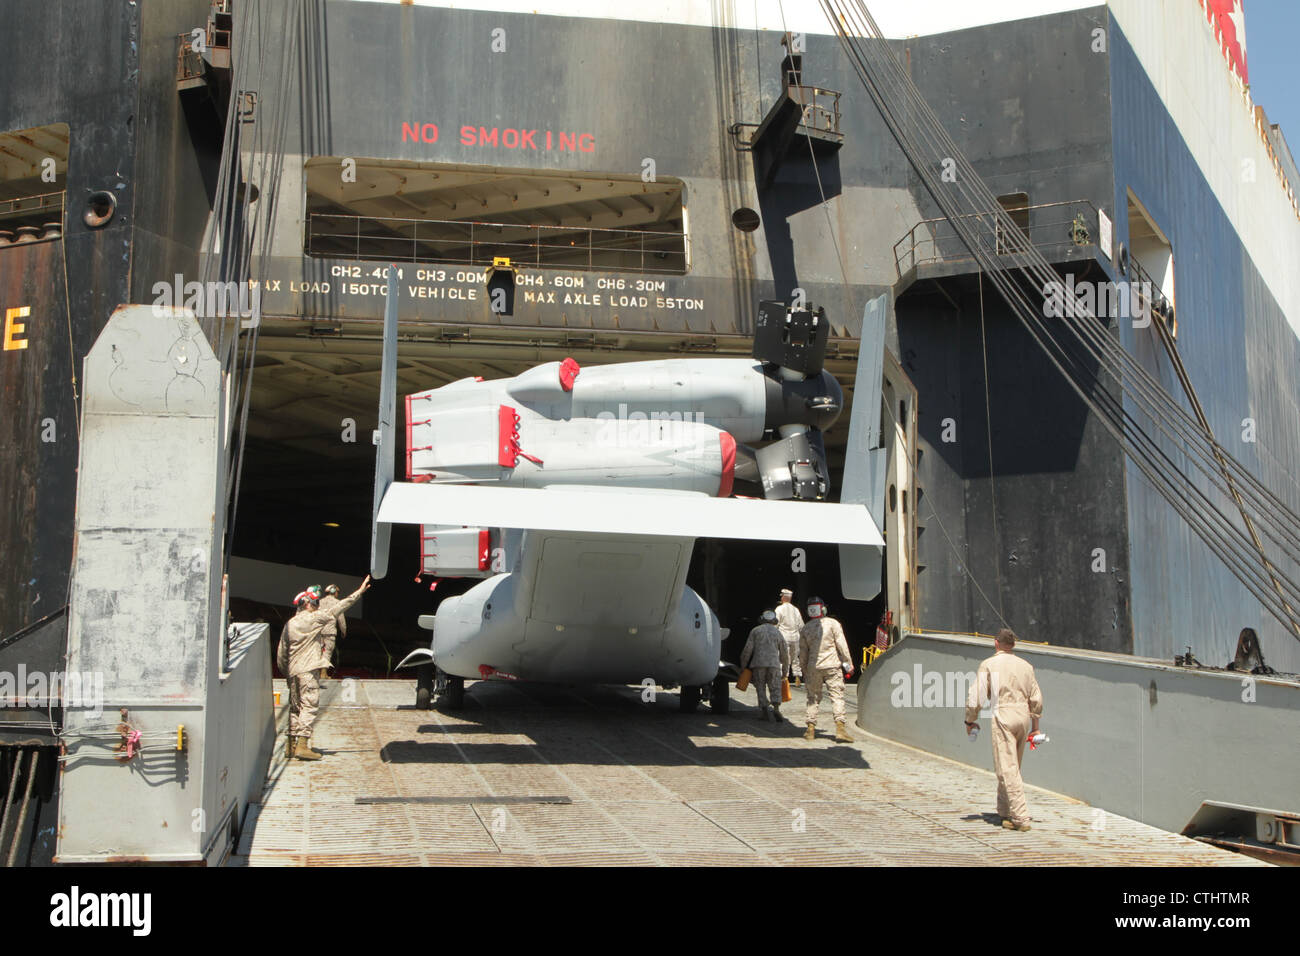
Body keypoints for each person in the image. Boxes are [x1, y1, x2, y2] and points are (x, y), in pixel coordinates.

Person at [279, 576, 371, 760]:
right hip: (308, 671)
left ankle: (290, 745)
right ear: (307, 605)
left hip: (293, 672)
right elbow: (340, 607)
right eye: (314, 602)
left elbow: (281, 652)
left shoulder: (290, 623)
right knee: (309, 705)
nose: (316, 605)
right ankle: (303, 744)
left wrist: (285, 672)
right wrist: (360, 592)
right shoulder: (314, 619)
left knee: (295, 707)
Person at [964, 628, 1043, 832]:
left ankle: (1020, 818)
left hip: (1003, 714)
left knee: (1007, 768)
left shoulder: (989, 664)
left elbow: (977, 698)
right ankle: (1004, 811)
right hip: (1023, 716)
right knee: (1011, 765)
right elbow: (1036, 698)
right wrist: (1035, 728)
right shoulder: (1026, 666)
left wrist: (969, 721)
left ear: (996, 643)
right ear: (1013, 645)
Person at [798, 597, 855, 743]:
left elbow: (803, 653)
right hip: (832, 665)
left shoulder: (806, 628)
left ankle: (810, 729)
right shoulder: (833, 624)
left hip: (813, 666)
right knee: (837, 696)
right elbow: (842, 646)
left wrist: (804, 671)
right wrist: (848, 663)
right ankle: (840, 729)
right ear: (822, 609)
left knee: (813, 698)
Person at [740, 610, 790, 721]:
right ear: (774, 621)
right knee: (775, 686)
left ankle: (764, 711)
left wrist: (743, 666)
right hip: (774, 664)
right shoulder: (777, 632)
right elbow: (784, 653)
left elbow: (747, 650)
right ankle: (776, 709)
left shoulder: (755, 631)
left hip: (758, 664)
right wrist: (785, 670)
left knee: (760, 687)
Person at [317, 584, 348, 680]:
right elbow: (341, 619)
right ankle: (323, 673)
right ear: (334, 592)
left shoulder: (320, 602)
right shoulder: (337, 603)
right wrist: (343, 631)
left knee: (318, 651)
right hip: (330, 632)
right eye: (337, 592)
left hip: (318, 630)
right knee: (327, 652)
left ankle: (318, 673)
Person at [774, 588, 804, 685]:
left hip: (784, 636)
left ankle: (784, 677)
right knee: (795, 657)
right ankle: (797, 677)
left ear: (783, 597)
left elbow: (775, 624)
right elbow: (801, 626)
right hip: (795, 637)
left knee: (783, 658)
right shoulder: (796, 610)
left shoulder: (779, 609)